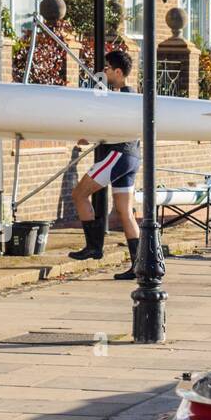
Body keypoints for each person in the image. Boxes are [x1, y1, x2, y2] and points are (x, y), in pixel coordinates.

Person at [68, 50, 142, 280]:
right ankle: (138, 266)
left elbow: (111, 126)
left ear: (118, 72)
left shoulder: (120, 98)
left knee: (79, 194)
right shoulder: (134, 96)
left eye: (108, 68)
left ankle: (94, 246)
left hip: (117, 155)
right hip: (132, 157)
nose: (104, 72)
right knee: (125, 212)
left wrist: (87, 136)